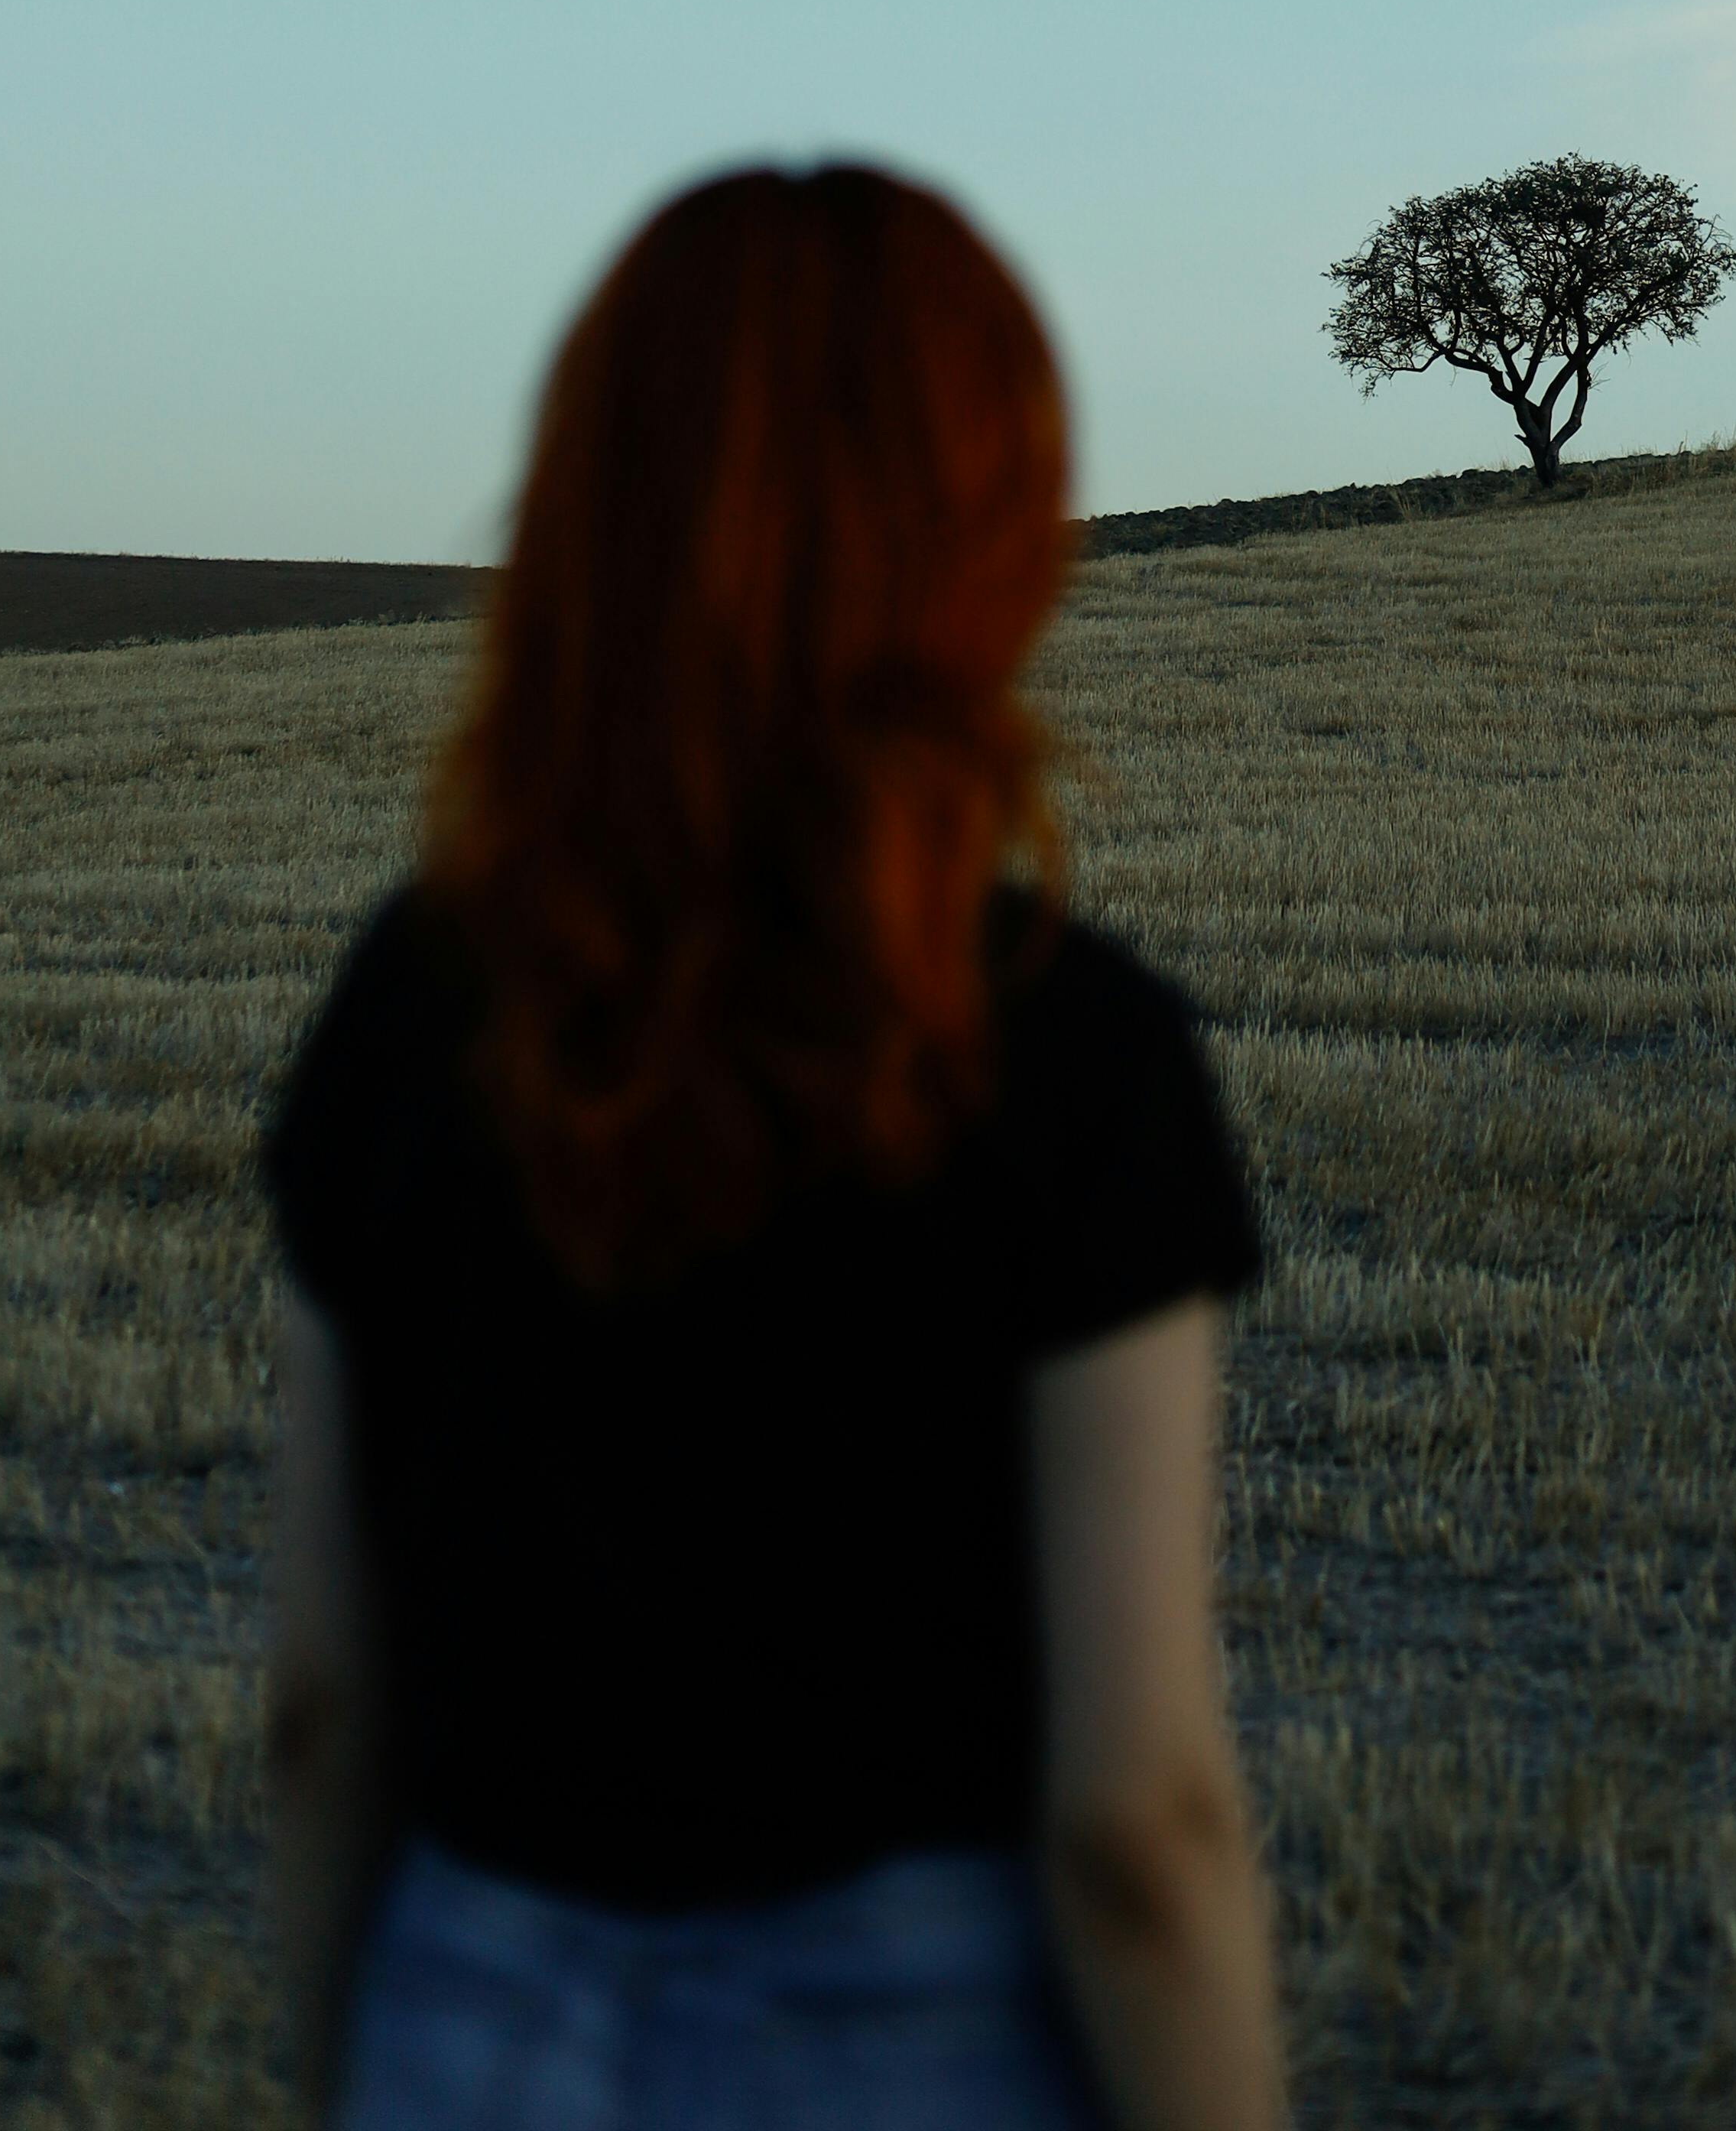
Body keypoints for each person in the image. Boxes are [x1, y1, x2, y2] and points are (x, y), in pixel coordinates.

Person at [258, 161, 1288, 2131]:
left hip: (474, 2009)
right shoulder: (1070, 1055)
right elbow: (1137, 1830)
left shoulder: (416, 1008)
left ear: (589, 510)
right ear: (983, 521)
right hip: (923, 2044)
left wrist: (356, 2068)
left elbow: (323, 1713)